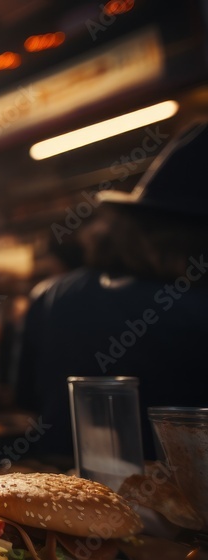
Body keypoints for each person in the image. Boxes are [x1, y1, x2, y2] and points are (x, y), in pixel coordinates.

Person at [14, 122, 208, 461]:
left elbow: (24, 400)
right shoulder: (196, 310)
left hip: (59, 489)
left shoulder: (51, 294)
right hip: (177, 506)